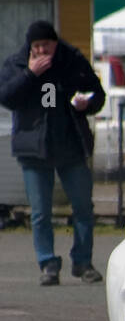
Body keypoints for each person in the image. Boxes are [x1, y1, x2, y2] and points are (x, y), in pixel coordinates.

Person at [0, 20, 105, 285]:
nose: (43, 51)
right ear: (30, 47)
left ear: (56, 43)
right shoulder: (18, 64)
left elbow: (97, 93)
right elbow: (6, 96)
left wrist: (88, 103)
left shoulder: (71, 60)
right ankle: (48, 263)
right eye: (37, 47)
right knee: (40, 212)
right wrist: (30, 75)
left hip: (70, 145)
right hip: (34, 149)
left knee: (83, 207)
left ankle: (83, 262)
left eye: (47, 45)